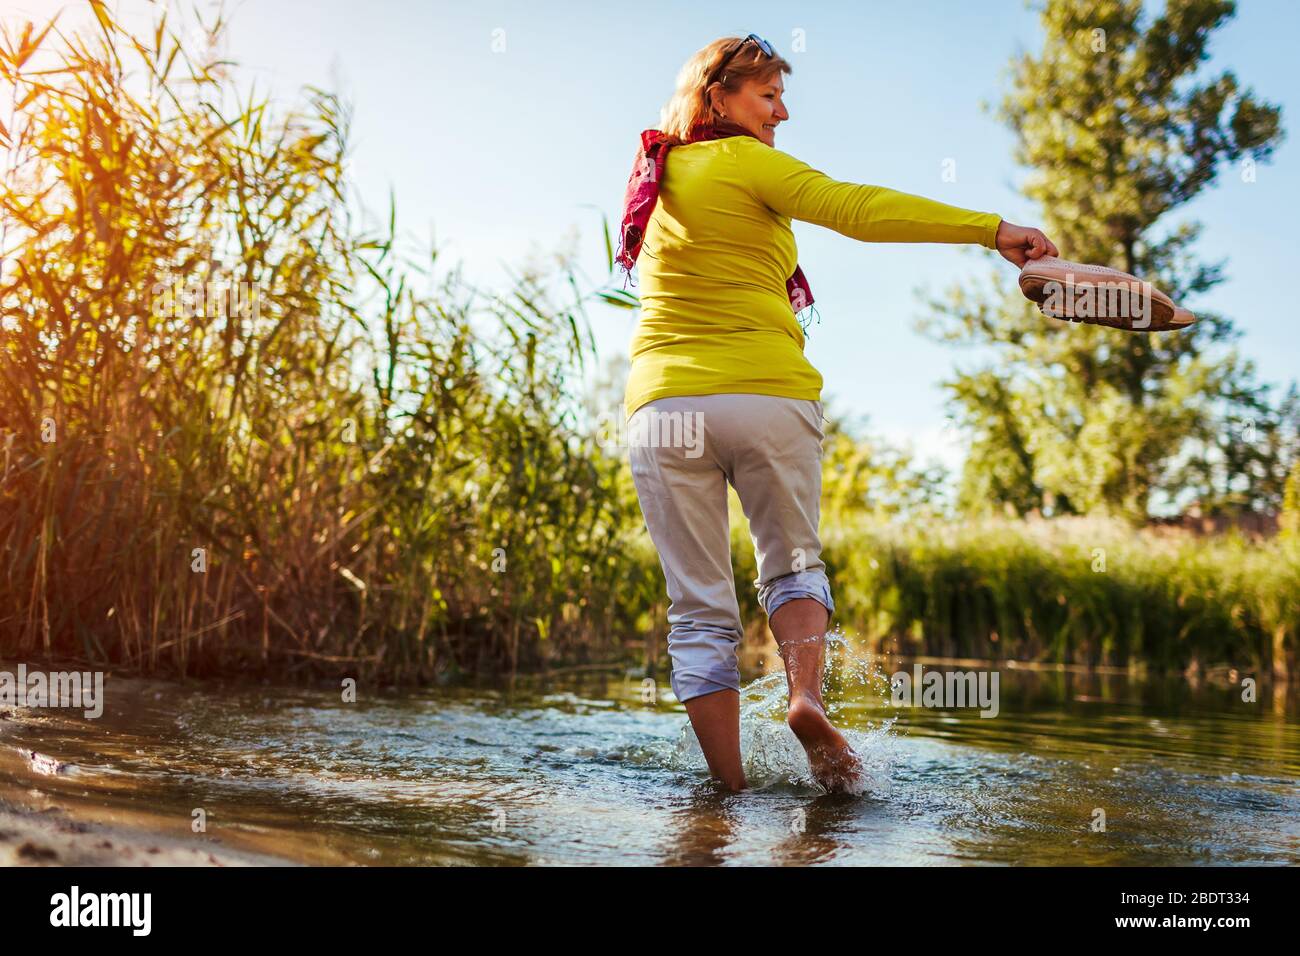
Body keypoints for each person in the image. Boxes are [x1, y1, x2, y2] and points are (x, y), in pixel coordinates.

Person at [616, 34, 1059, 792]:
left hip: (661, 411)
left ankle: (727, 795)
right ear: (716, 96)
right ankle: (805, 699)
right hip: (764, 394)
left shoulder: (654, 189)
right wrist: (991, 229)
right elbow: (857, 209)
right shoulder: (746, 162)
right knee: (792, 567)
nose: (781, 113)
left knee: (696, 612)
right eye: (767, 96)